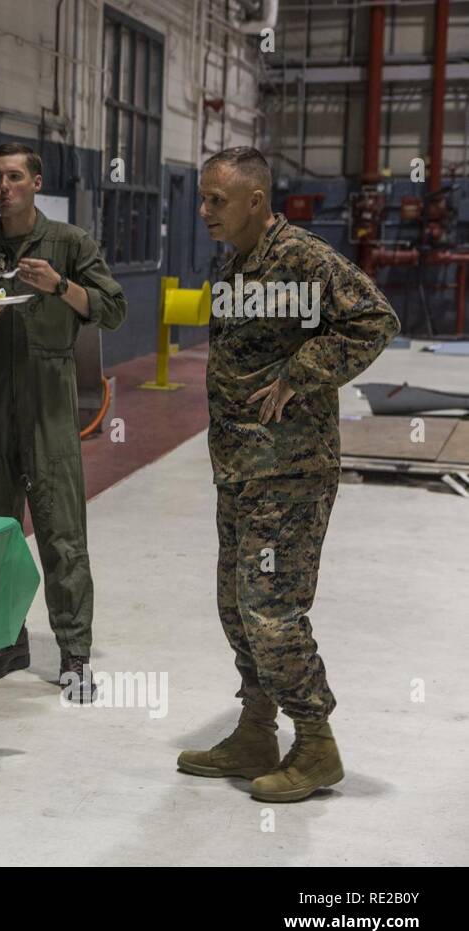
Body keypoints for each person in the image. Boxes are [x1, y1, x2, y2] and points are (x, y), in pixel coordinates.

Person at [177, 146, 399, 802]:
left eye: (218, 200)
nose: (205, 210)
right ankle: (254, 731)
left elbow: (373, 320)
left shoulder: (301, 256)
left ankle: (315, 744)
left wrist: (302, 373)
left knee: (272, 609)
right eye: (204, 198)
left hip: (291, 466)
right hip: (240, 465)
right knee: (236, 607)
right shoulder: (236, 262)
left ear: (255, 201)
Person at [0, 143, 126, 699]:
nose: (4, 187)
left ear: (36, 182)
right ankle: (5, 639)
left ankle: (74, 653)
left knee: (62, 533)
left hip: (49, 404)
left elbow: (113, 309)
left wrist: (61, 287)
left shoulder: (68, 244)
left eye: (15, 177)